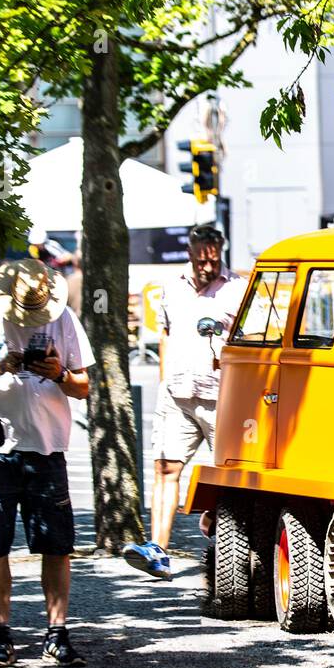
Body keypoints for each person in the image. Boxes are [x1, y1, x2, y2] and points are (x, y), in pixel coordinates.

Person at [0, 258, 94, 667]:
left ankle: (57, 633)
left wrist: (59, 372)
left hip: (46, 446)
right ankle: (0, 636)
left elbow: (84, 387)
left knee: (57, 545)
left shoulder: (62, 318)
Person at [124, 225, 246, 579]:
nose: (208, 262)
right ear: (190, 252)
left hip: (219, 394)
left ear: (220, 252)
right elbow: (165, 334)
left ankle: (219, 529)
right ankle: (157, 550)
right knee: (165, 468)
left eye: (214, 255)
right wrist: (165, 378)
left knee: (230, 475)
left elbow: (253, 337)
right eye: (202, 254)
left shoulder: (236, 289)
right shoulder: (172, 287)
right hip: (177, 393)